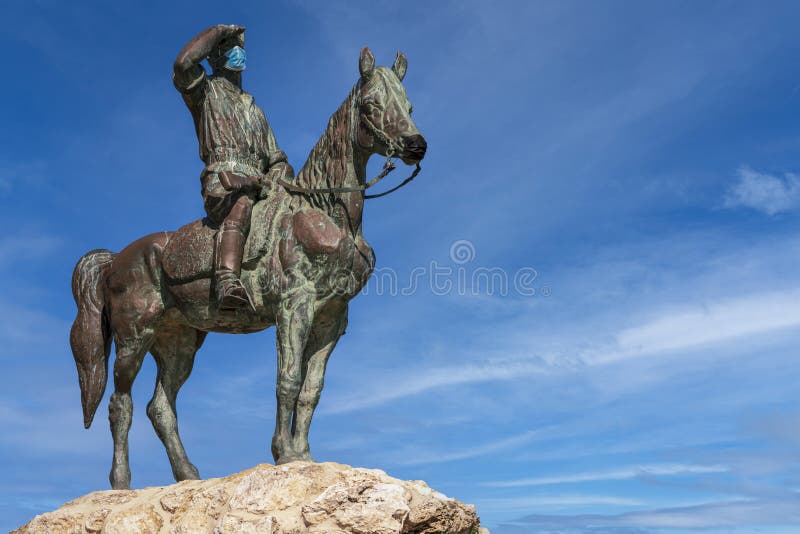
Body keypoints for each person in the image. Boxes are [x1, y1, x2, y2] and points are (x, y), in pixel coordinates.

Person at [173, 24, 294, 311]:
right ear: (214, 58)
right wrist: (218, 31)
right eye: (229, 49)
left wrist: (280, 176)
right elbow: (182, 64)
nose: (238, 54)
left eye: (239, 49)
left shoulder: (255, 109)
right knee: (239, 204)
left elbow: (276, 158)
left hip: (261, 185)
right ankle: (226, 278)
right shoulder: (205, 93)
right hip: (224, 181)